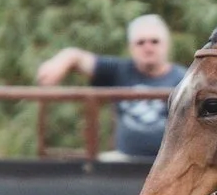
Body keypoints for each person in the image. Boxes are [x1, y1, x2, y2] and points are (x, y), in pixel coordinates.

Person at [34, 14, 185, 162]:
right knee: (93, 172)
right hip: (123, 161)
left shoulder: (184, 79)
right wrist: (60, 61)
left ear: (166, 44)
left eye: (154, 41)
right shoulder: (120, 70)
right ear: (131, 47)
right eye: (141, 42)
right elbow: (77, 57)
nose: (148, 47)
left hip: (168, 164)